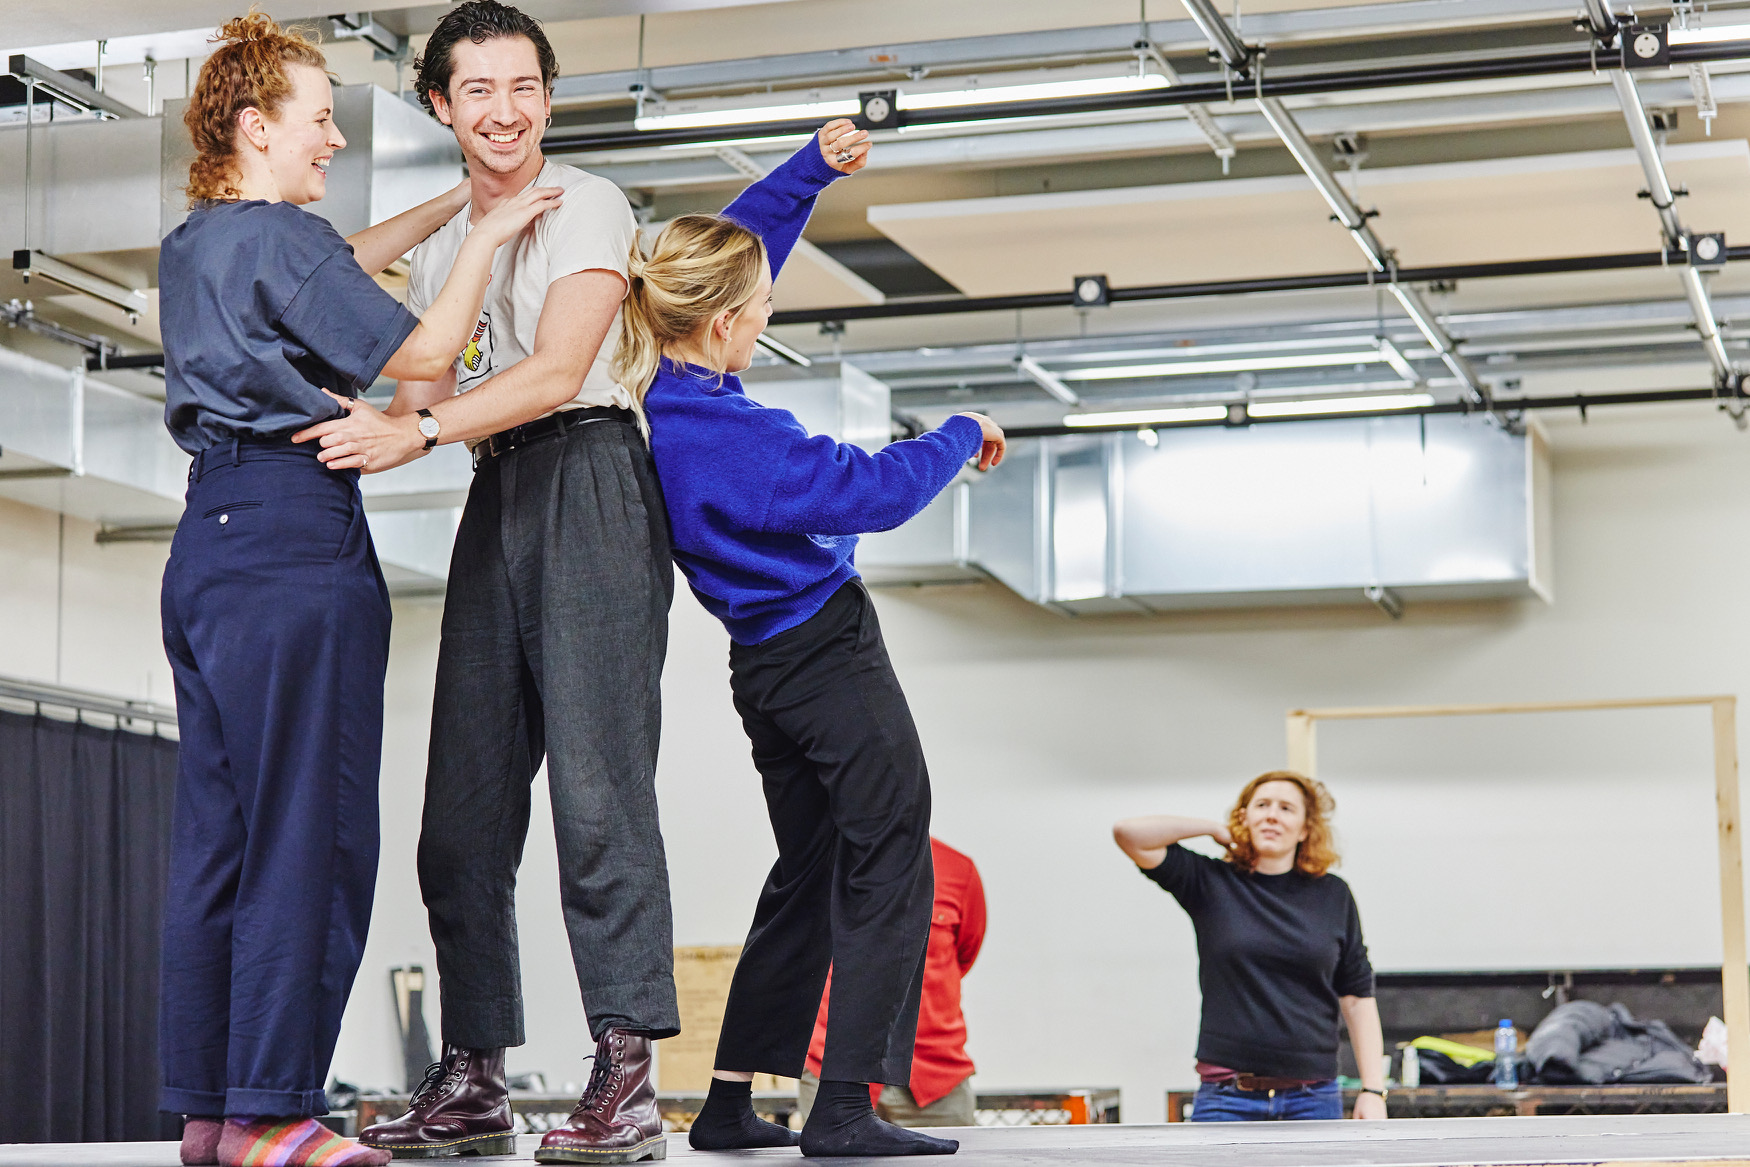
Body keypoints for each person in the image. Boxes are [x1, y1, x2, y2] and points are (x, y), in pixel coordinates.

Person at [157, 14, 560, 1167]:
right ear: (255, 127)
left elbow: (331, 263)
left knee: (222, 842)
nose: (335, 138)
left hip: (208, 546)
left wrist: (447, 208)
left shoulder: (197, 243)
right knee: (312, 836)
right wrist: (490, 235)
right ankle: (275, 1112)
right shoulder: (282, 240)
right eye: (321, 118)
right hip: (295, 538)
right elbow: (424, 357)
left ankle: (211, 1116)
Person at [314, 4, 678, 1162]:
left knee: (598, 795)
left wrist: (415, 433)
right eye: (477, 91)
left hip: (592, 478)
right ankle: (473, 1073)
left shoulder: (589, 205)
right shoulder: (453, 244)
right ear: (440, 104)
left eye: (524, 88)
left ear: (550, 98)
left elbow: (558, 369)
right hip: (496, 491)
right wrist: (457, 208)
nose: (505, 111)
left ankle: (626, 1070)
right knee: (460, 815)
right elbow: (334, 283)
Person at [620, 119, 1005, 1159]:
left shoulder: (662, 383)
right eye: (760, 314)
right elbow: (874, 491)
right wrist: (958, 433)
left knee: (809, 870)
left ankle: (729, 1102)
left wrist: (808, 174)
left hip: (763, 668)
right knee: (894, 853)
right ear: (721, 325)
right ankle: (844, 1105)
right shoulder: (738, 440)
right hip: (827, 652)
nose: (766, 319)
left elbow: (731, 254)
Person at [1112, 772, 1388, 1122]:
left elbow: (1357, 997)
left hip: (1312, 1099)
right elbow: (1128, 833)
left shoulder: (1333, 894)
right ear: (1244, 817)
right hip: (1227, 1098)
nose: (1272, 815)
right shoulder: (1211, 882)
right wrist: (1213, 829)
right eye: (1262, 805)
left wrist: (1373, 1090)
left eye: (1286, 808)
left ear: (1305, 829)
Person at [799, 838, 987, 1128]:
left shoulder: (958, 870)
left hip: (935, 1078)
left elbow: (964, 953)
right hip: (834, 1075)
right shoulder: (822, 862)